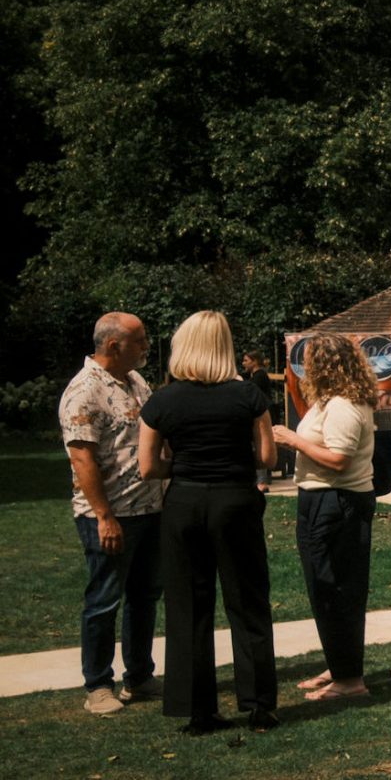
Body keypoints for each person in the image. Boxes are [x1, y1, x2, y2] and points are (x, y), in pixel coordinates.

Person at [136, 311, 278, 733]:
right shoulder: (249, 396)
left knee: (188, 604)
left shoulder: (162, 401)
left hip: (184, 501)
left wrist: (182, 465)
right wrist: (234, 460)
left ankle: (197, 709)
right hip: (235, 498)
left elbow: (147, 467)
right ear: (226, 347)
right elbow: (268, 457)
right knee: (247, 601)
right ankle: (259, 706)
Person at [61, 312, 163, 717]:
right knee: (104, 599)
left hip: (149, 508)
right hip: (110, 514)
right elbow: (82, 459)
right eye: (140, 341)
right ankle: (98, 685)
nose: (146, 347)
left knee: (144, 597)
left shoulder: (136, 381)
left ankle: (138, 676)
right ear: (114, 346)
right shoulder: (83, 392)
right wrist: (104, 516)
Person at [271, 333, 379, 702]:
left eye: (310, 360)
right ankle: (341, 664)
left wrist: (291, 439)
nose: (305, 367)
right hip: (323, 500)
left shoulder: (344, 406)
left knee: (335, 588)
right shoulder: (330, 401)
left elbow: (338, 459)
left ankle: (350, 680)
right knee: (326, 586)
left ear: (325, 365)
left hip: (337, 504)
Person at [242, 351, 287, 482]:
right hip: (264, 413)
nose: (243, 363)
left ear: (254, 361)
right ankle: (263, 477)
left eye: (246, 360)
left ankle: (261, 479)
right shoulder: (255, 376)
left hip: (263, 415)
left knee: (259, 444)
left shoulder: (259, 376)